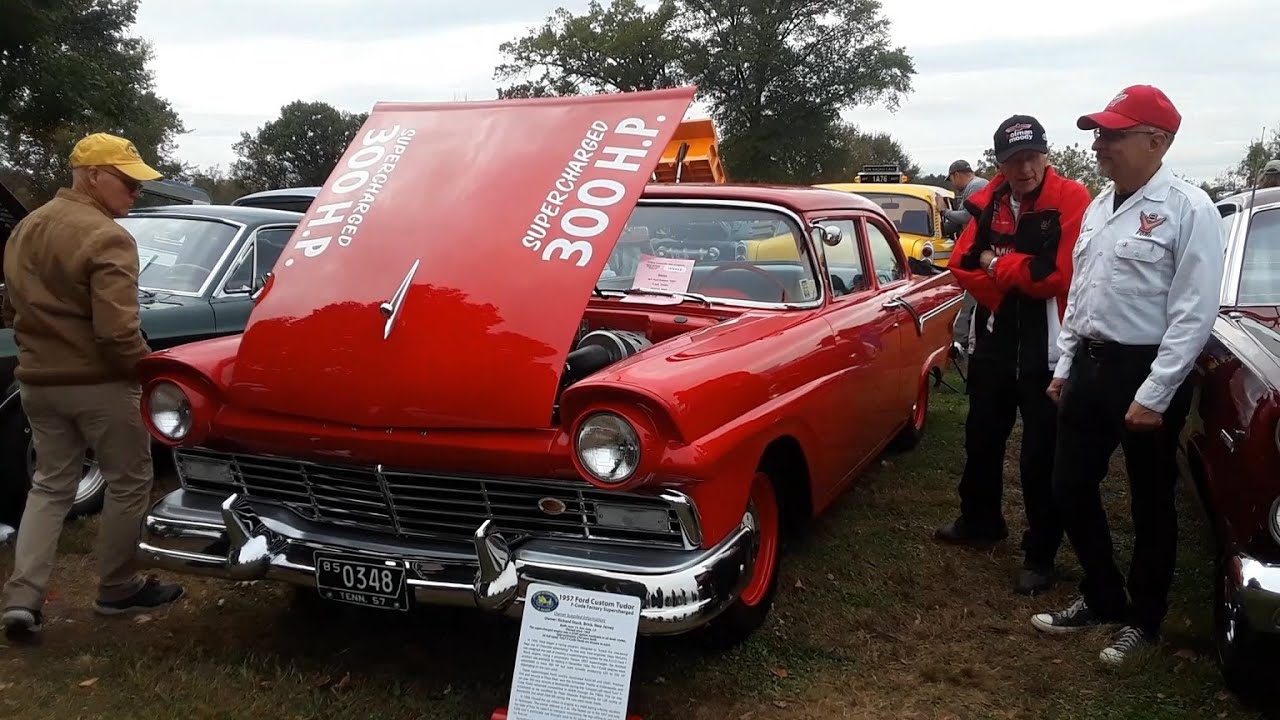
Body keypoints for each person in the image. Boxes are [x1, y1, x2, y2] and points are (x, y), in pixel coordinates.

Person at [1031, 85, 1225, 665]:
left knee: (1150, 502)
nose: (1099, 144)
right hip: (1090, 365)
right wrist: (1065, 365)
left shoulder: (1190, 209)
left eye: (1114, 134)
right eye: (1098, 133)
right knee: (1066, 487)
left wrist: (1156, 393)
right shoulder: (1097, 206)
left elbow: (1194, 312)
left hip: (1146, 368)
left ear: (1157, 141)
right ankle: (1103, 593)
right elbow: (1084, 294)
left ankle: (1144, 617)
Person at [1, 133, 185, 641]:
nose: (136, 192)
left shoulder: (26, 228)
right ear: (92, 176)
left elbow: (11, 310)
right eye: (126, 182)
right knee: (129, 482)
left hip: (37, 382)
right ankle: (118, 587)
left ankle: (22, 599)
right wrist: (151, 374)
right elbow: (117, 332)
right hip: (99, 384)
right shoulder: (107, 238)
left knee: (49, 486)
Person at [934, 115, 1093, 596]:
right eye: (1012, 160)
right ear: (998, 164)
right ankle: (980, 520)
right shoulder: (988, 199)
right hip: (996, 332)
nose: (1024, 168)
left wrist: (996, 262)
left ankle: (1041, 552)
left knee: (1039, 452)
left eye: (1031, 157)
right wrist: (1006, 283)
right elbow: (962, 263)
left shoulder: (1071, 198)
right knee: (981, 434)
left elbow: (1055, 277)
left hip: (1047, 344)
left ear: (1046, 155)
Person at [944, 160, 990, 358]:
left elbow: (966, 217)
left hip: (978, 249)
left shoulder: (976, 186)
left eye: (952, 179)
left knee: (968, 297)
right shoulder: (976, 186)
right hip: (977, 248)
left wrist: (943, 211)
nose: (953, 184)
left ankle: (959, 341)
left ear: (957, 174)